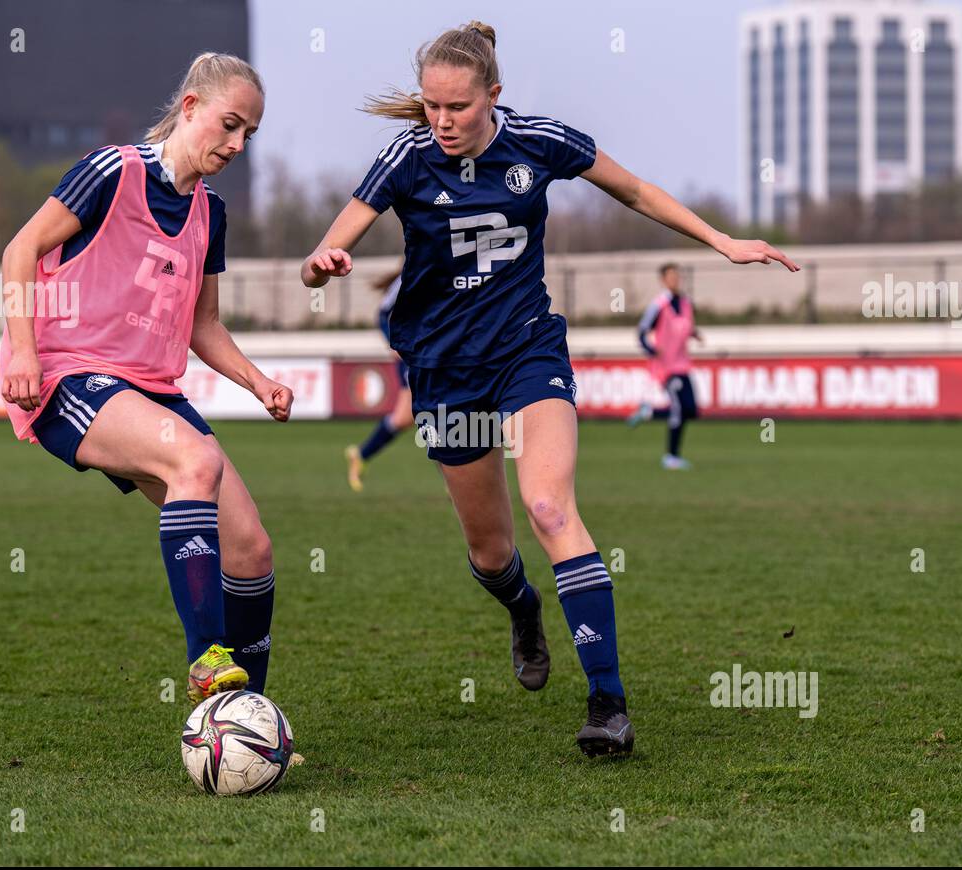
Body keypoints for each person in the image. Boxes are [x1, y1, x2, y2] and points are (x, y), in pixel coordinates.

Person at [300, 22, 798, 755]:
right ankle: (524, 610)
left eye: (458, 107)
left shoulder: (538, 140)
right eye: (432, 106)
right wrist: (323, 265)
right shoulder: (404, 159)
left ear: (493, 96)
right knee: (492, 553)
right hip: (443, 371)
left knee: (548, 506)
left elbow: (632, 189)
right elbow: (326, 248)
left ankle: (608, 705)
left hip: (527, 351)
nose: (441, 121)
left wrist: (719, 241)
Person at [0, 52, 293, 706]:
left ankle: (244, 721)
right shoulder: (112, 171)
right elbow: (21, 250)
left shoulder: (211, 213)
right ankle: (206, 662)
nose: (238, 143)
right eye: (230, 124)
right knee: (195, 460)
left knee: (251, 552)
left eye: (250, 133)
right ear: (190, 107)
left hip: (151, 392)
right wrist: (23, 353)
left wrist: (257, 380)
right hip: (70, 378)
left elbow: (204, 324)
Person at [627, 263, 703, 469]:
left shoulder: (686, 303)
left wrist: (695, 334)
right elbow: (642, 332)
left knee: (692, 410)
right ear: (663, 280)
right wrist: (652, 352)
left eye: (677, 276)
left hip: (683, 364)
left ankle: (648, 412)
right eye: (670, 277)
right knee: (678, 409)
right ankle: (671, 457)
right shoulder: (658, 305)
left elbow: (685, 327)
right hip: (666, 367)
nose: (675, 280)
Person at [345, 266, 414, 491]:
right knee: (414, 416)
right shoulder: (411, 273)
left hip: (436, 353)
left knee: (427, 416)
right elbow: (383, 313)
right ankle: (361, 455)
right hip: (412, 357)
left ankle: (362, 454)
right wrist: (393, 342)